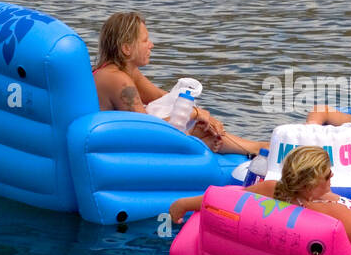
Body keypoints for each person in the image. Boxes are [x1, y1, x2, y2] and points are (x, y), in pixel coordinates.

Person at [169, 146, 351, 249]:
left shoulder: (273, 189)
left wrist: (182, 204)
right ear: (311, 184)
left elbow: (230, 198)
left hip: (329, 204)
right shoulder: (337, 216)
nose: (332, 176)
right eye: (327, 174)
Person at [92, 11, 267, 156]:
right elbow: (147, 131)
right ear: (126, 48)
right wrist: (193, 114)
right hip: (120, 149)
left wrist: (206, 117)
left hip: (126, 138)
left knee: (195, 122)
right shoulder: (118, 80)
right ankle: (255, 148)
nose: (151, 45)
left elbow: (168, 99)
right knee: (193, 124)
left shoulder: (125, 71)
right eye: (145, 40)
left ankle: (253, 147)